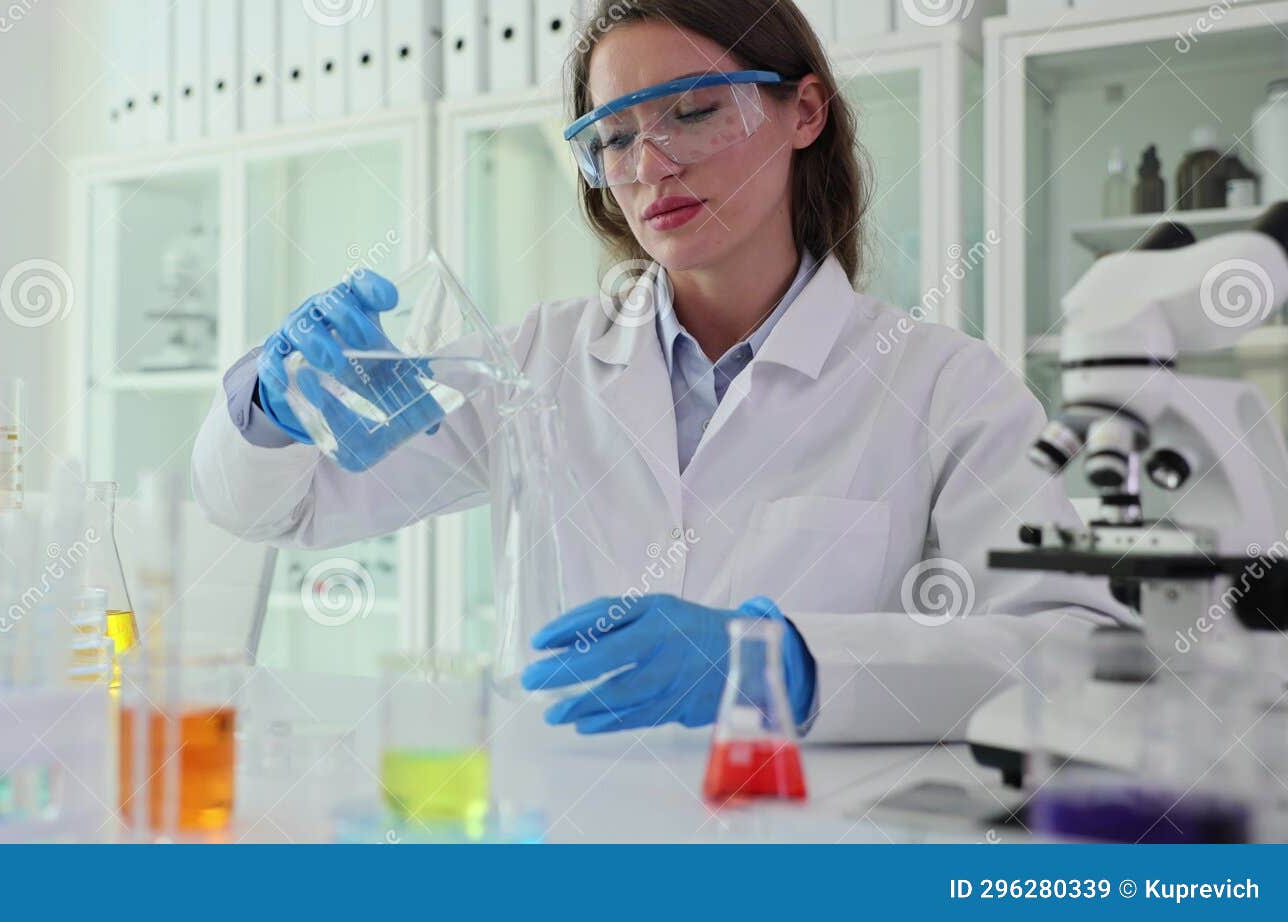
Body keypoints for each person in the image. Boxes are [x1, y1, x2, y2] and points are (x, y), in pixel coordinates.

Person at [191, 0, 1135, 742]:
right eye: (612, 137)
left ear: (802, 111)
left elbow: (1071, 651)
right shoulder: (539, 364)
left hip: (803, 852)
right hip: (564, 834)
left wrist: (784, 663)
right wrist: (275, 401)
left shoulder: (944, 385)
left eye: (693, 111)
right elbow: (286, 508)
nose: (651, 164)